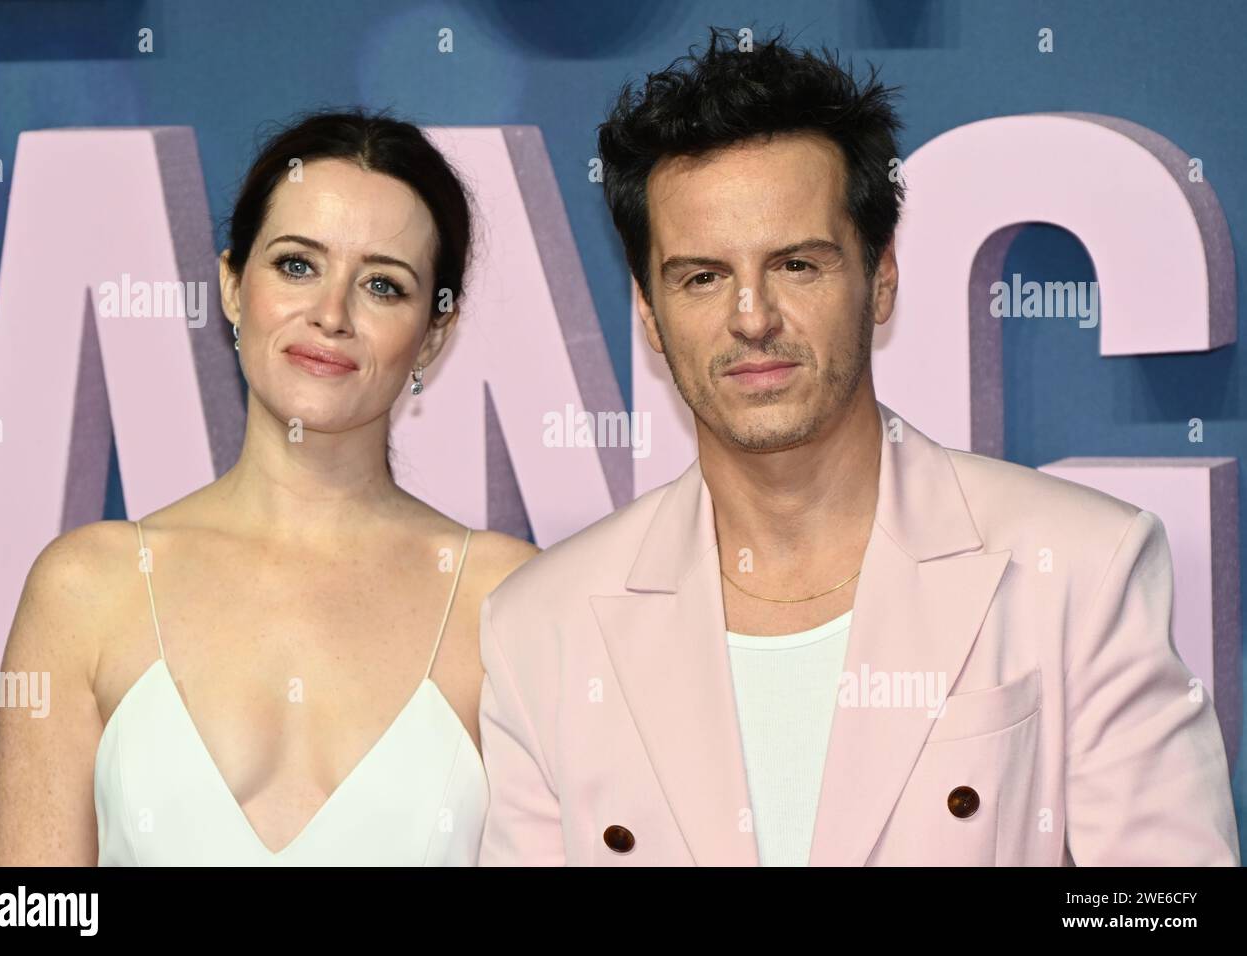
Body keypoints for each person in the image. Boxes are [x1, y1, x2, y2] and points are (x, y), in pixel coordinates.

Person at [476, 29, 1240, 865]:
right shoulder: (541, 629)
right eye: (701, 276)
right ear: (650, 315)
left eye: (797, 265)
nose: (752, 316)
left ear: (880, 279)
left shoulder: (1079, 569)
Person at [0, 109, 537, 865]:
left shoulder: (507, 599)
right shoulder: (87, 588)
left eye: (382, 284)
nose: (331, 314)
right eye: (297, 265)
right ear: (232, 287)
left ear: (433, 334)